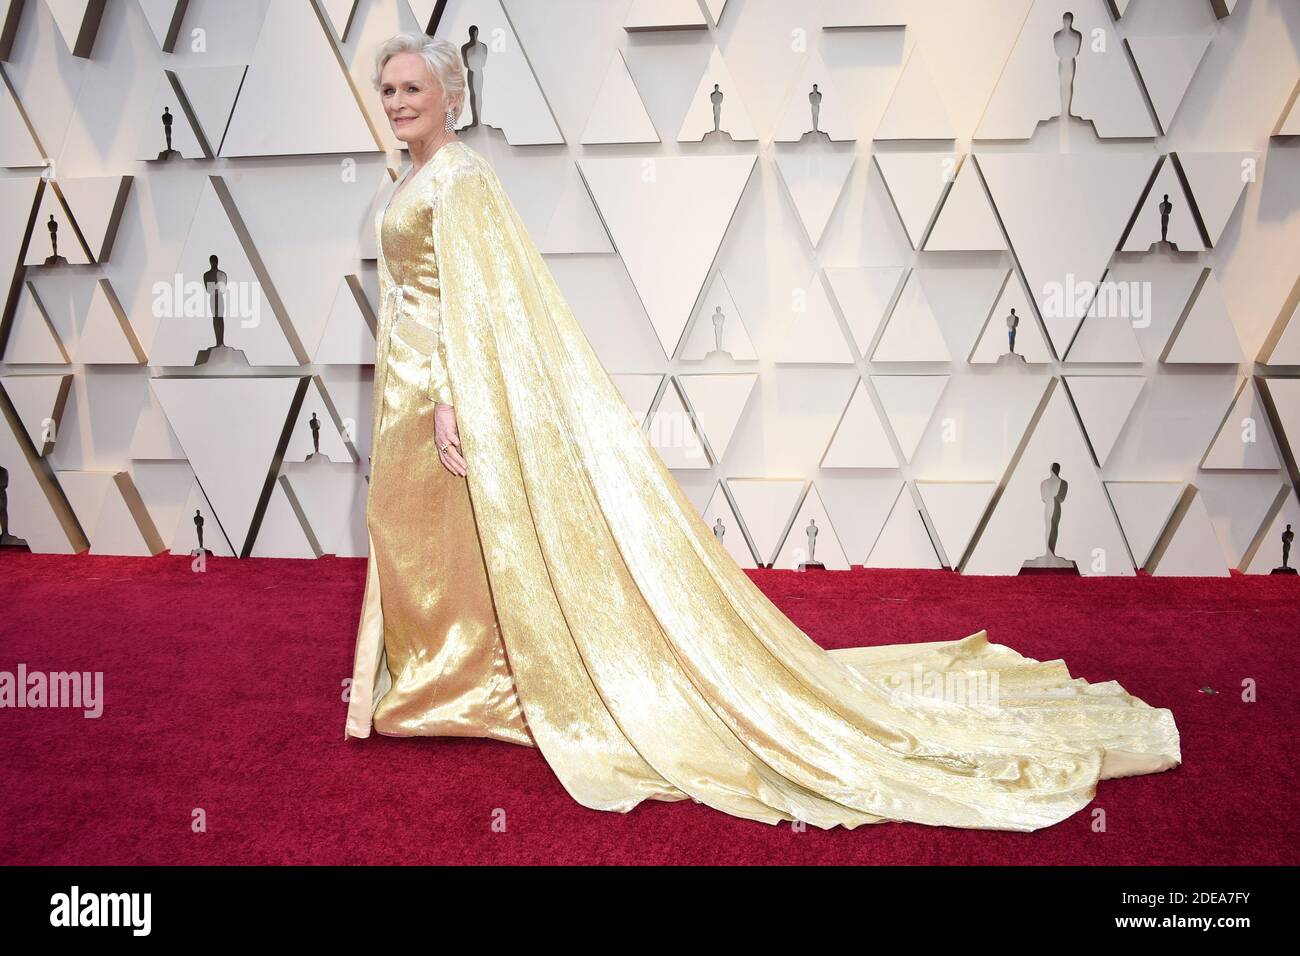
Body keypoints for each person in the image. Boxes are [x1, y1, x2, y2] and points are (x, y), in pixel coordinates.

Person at [344, 32, 1181, 831]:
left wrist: (452, 396)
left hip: (438, 396)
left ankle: (469, 684)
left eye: (413, 88)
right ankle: (445, 681)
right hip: (408, 391)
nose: (399, 102)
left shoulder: (459, 179)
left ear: (450, 94)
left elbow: (474, 296)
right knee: (435, 540)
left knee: (459, 537)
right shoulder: (414, 178)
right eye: (388, 90)